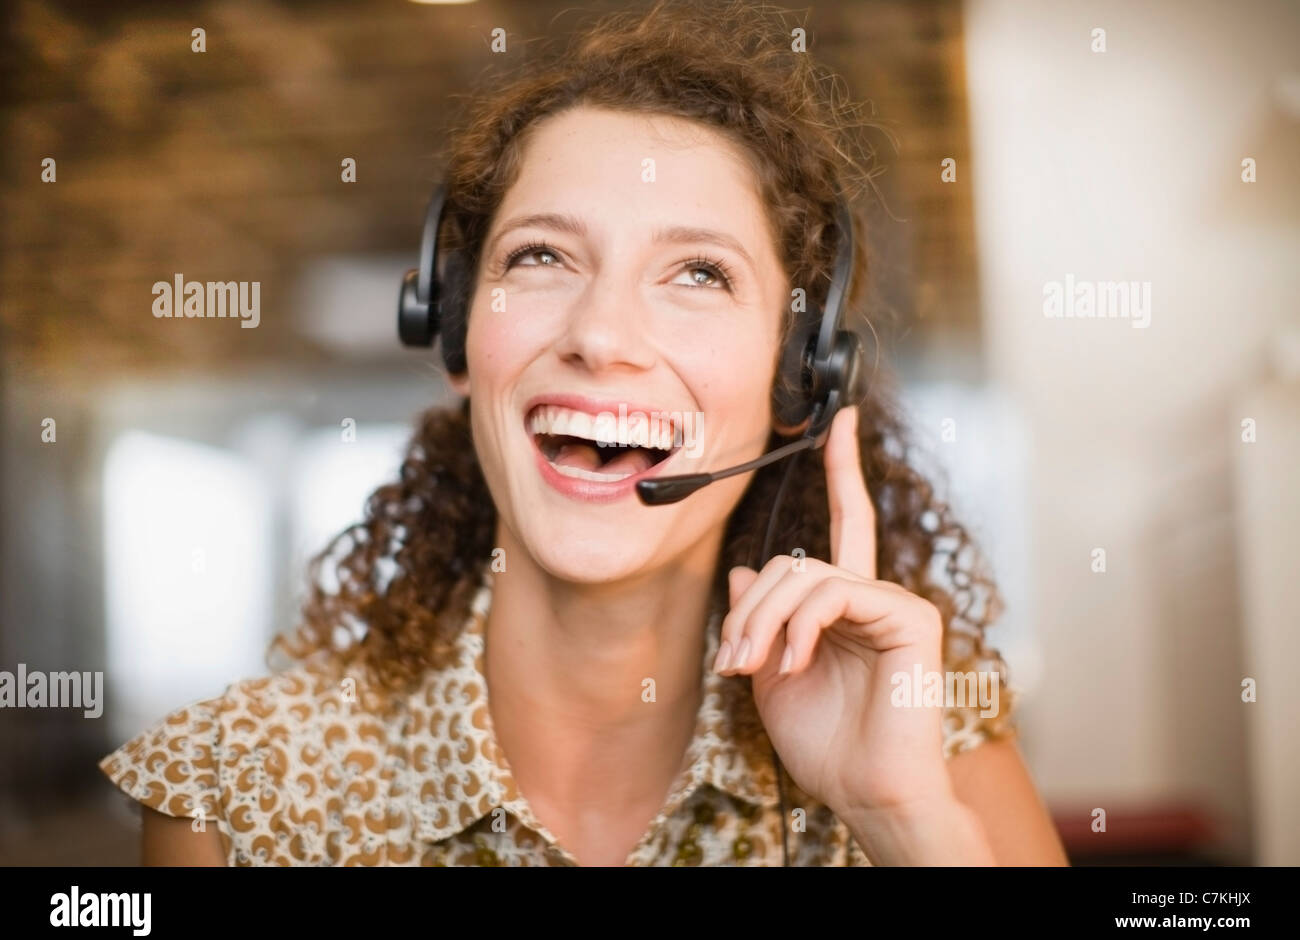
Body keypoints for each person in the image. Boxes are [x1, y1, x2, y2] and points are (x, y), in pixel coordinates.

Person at [100, 0, 1067, 866]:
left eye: (698, 273)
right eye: (543, 256)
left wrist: (903, 818)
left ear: (797, 375)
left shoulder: (927, 738)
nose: (601, 336)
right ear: (456, 331)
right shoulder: (242, 793)